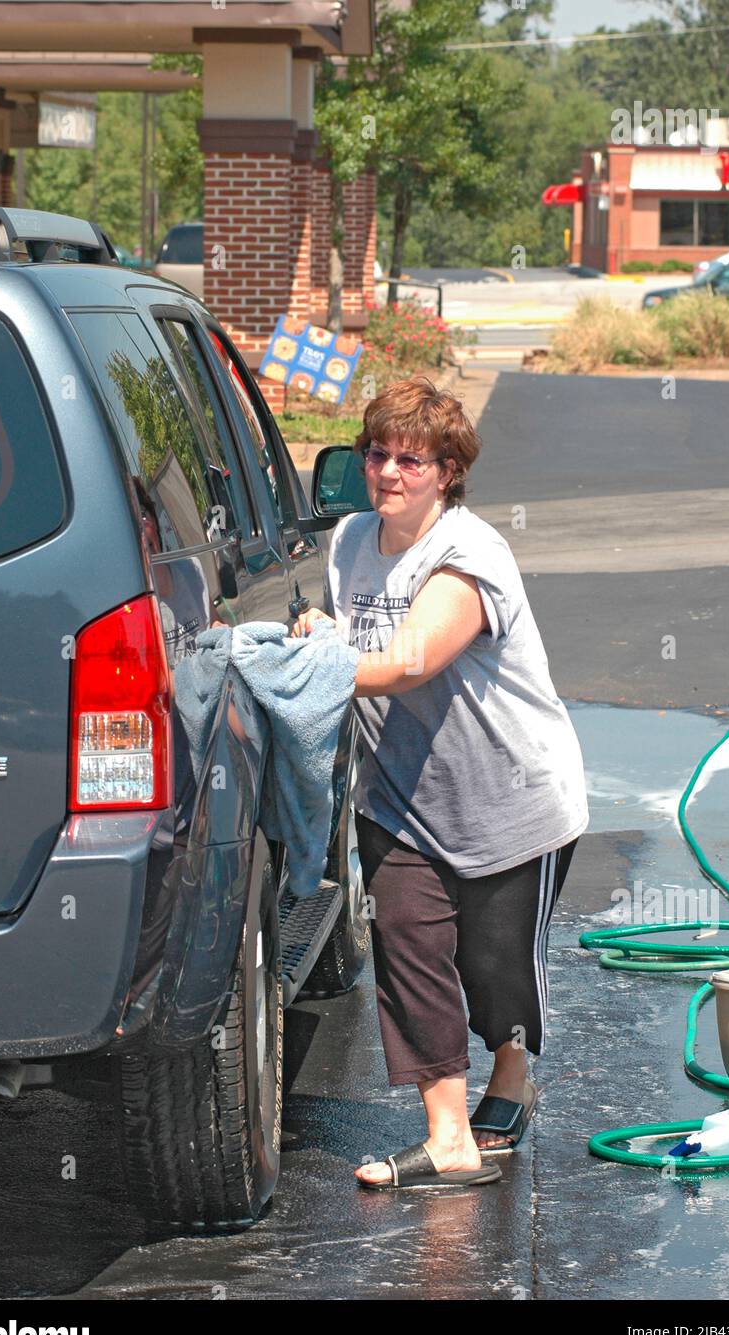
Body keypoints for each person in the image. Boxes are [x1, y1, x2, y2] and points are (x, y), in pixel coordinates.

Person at [291, 376, 589, 1190]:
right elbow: (354, 635)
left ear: (448, 470)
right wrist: (321, 631)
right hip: (399, 797)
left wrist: (318, 664)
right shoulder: (350, 539)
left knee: (494, 972)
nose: (389, 472)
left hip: (511, 799)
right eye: (376, 454)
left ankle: (513, 1073)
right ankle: (449, 1136)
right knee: (410, 952)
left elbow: (413, 659)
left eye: (410, 460)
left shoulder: (470, 554)